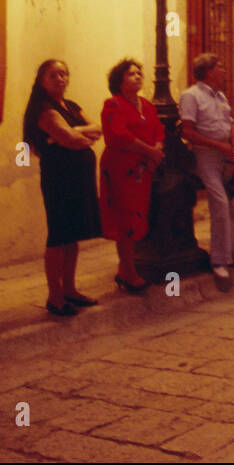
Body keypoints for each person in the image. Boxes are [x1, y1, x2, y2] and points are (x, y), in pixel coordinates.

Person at [22, 60, 102, 316]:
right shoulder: (43, 108)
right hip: (60, 178)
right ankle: (54, 296)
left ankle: (70, 289)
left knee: (72, 235)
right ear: (41, 80)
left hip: (79, 177)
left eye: (64, 74)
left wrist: (74, 131)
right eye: (53, 75)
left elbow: (97, 130)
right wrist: (70, 135)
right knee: (59, 235)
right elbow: (69, 140)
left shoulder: (71, 106)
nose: (60, 79)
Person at [180, 53, 234, 276]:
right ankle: (218, 259)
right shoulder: (191, 96)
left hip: (225, 154)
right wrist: (218, 146)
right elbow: (188, 131)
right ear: (208, 71)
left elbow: (230, 127)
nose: (224, 70)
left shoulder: (220, 97)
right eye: (220, 66)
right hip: (206, 155)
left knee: (230, 205)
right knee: (218, 203)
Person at [99, 59, 164, 291]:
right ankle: (129, 271)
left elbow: (158, 129)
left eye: (139, 73)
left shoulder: (146, 105)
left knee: (137, 216)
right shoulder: (113, 105)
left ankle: (124, 268)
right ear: (119, 80)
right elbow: (119, 135)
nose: (137, 77)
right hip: (120, 168)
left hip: (142, 169)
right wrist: (150, 151)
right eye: (130, 74)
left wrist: (156, 149)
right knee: (124, 219)